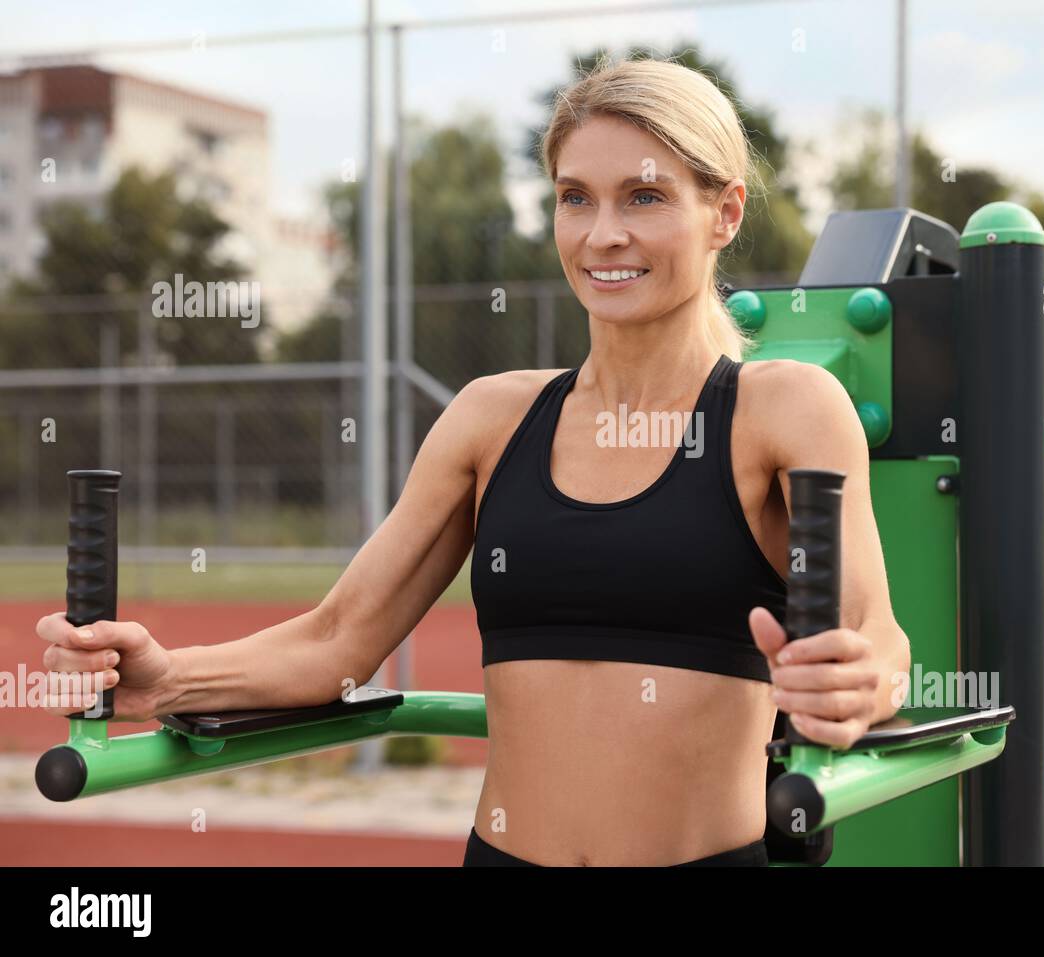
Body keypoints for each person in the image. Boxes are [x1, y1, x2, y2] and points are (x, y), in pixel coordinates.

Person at [37, 56, 911, 867]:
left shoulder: (782, 407)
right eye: (576, 197)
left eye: (644, 197)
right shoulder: (492, 417)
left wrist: (857, 685)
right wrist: (165, 678)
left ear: (723, 212)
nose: (603, 233)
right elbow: (339, 639)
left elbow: (876, 642)